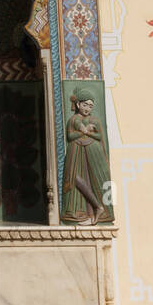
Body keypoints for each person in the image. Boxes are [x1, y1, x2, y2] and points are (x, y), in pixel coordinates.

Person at [60, 93, 113, 225]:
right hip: (76, 151)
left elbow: (99, 137)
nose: (87, 108)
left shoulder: (94, 120)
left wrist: (87, 132)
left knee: (96, 179)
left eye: (90, 106)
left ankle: (99, 210)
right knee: (74, 178)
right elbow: (70, 136)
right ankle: (93, 208)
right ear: (78, 105)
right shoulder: (72, 120)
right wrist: (83, 132)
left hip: (93, 151)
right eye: (85, 105)